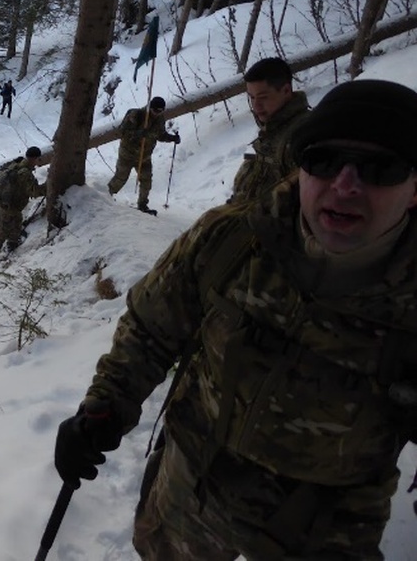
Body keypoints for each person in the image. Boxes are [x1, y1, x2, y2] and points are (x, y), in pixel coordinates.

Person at [53, 79, 417, 561]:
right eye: (323, 161)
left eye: (379, 168)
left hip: (324, 529)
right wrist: (103, 407)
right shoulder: (230, 239)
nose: (344, 184)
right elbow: (150, 328)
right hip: (191, 494)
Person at [229, 57, 310, 204]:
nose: (256, 106)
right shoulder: (274, 129)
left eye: (263, 97)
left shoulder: (303, 134)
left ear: (286, 91)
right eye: (252, 98)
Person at [107, 96, 180, 214]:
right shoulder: (136, 115)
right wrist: (138, 133)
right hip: (128, 154)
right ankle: (106, 196)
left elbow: (160, 135)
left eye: (161, 111)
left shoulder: (160, 119)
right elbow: (122, 132)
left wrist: (172, 138)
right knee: (121, 178)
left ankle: (142, 205)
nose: (158, 114)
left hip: (145, 156)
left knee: (146, 181)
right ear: (150, 107)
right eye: (156, 111)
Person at [0, 146, 46, 266]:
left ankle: (12, 246)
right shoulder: (25, 173)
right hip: (9, 208)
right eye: (38, 159)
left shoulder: (17, 163)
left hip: (10, 206)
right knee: (1, 235)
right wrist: (48, 186)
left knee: (17, 224)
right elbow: (35, 192)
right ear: (35, 158)